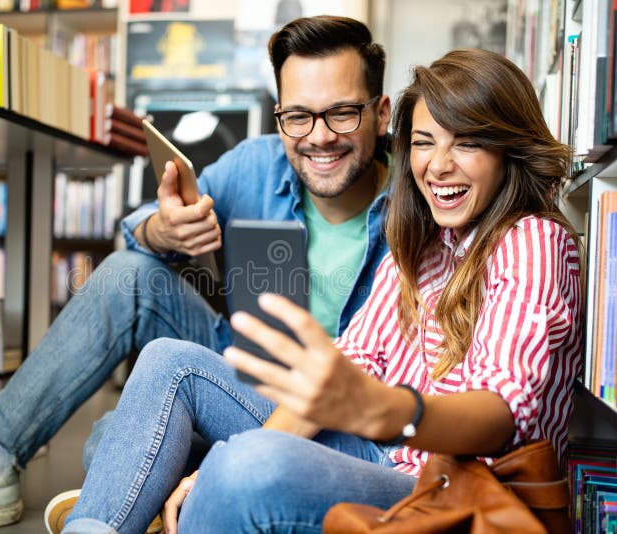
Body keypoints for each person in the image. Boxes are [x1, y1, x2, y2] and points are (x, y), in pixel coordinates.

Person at [0, 15, 392, 534]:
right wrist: (165, 231)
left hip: (333, 413)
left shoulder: (418, 206)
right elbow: (135, 233)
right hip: (239, 368)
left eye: (342, 112)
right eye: (297, 115)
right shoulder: (256, 161)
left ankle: (151, 483)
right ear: (280, 114)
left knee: (115, 438)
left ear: (382, 113)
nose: (319, 136)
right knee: (130, 274)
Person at [56, 47, 583, 534]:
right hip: (377, 452)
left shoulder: (531, 239)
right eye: (423, 142)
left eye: (467, 142)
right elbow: (344, 371)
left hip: (448, 485)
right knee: (170, 363)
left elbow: (502, 415)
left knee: (238, 463)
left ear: (509, 149)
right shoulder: (426, 245)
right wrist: (218, 468)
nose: (438, 165)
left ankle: (171, 487)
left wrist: (388, 411)